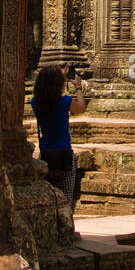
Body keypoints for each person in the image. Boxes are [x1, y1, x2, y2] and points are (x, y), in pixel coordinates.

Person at [30, 64, 86, 207]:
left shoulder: (35, 103)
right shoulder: (65, 102)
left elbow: (47, 86)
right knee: (65, 197)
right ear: (59, 84)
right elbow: (81, 107)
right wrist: (78, 87)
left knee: (46, 197)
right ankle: (65, 225)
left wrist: (60, 75)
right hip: (64, 156)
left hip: (45, 155)